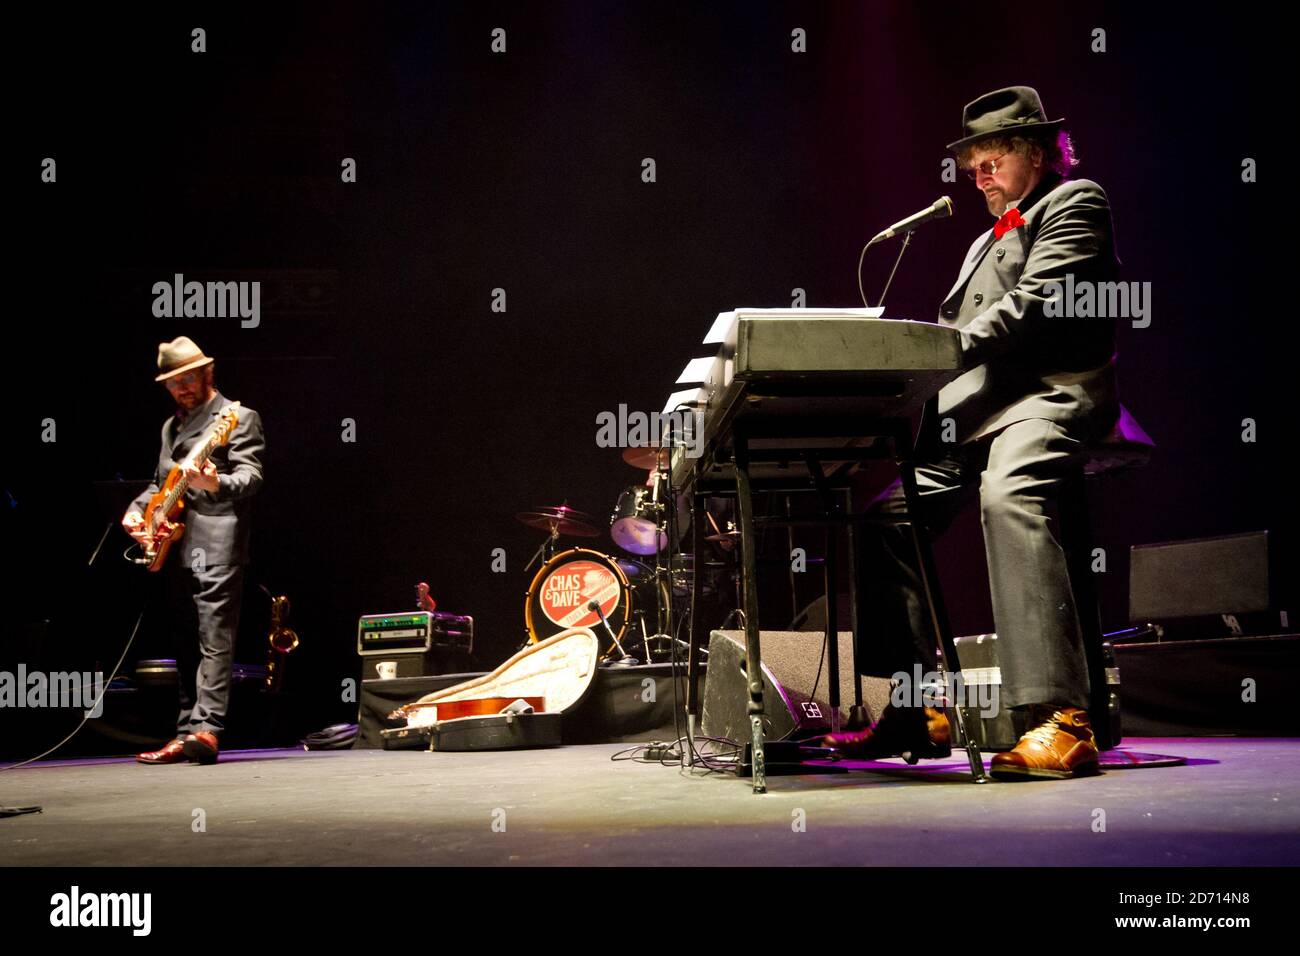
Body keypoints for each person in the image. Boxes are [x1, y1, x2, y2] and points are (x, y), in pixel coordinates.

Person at [825, 86, 1120, 780]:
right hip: (978, 420)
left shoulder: (1074, 202)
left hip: (1048, 398)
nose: (979, 178)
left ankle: (1061, 719)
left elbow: (1035, 303)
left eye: (992, 163)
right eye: (973, 168)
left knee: (1009, 494)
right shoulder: (983, 242)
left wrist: (932, 356)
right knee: (885, 517)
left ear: (1038, 153)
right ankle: (912, 711)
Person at [122, 336, 265, 765]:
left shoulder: (237, 418)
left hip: (218, 543)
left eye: (187, 378)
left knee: (215, 641)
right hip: (176, 546)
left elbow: (252, 477)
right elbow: (158, 483)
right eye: (172, 383)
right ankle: (184, 732)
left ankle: (208, 729)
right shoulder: (171, 428)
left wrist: (215, 482)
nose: (181, 388)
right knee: (185, 644)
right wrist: (137, 512)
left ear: (208, 374)